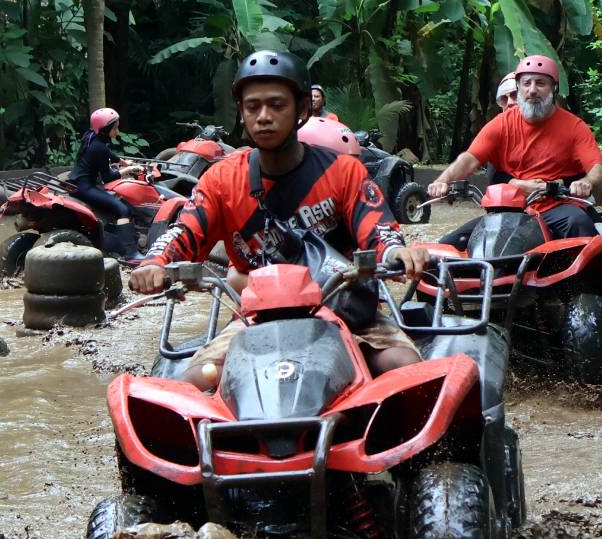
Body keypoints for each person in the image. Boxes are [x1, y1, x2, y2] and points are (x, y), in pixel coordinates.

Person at [131, 50, 429, 387]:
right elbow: (184, 232)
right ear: (241, 113)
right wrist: (154, 263)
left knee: (403, 368)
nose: (263, 116)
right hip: (257, 317)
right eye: (252, 106)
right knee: (193, 385)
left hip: (345, 311)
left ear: (301, 110)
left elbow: (378, 231)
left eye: (277, 105)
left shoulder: (344, 171)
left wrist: (396, 253)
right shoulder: (220, 180)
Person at [426, 55, 602, 240]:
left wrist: (586, 182)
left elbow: (599, 172)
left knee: (579, 224)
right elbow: (469, 159)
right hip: (512, 209)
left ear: (554, 88)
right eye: (526, 83)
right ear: (518, 88)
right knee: (450, 244)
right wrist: (443, 181)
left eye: (540, 83)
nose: (532, 90)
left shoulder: (574, 127)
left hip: (557, 207)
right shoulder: (501, 124)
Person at [71, 107, 139, 259]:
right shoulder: (99, 147)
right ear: (105, 129)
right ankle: (131, 254)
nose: (118, 131)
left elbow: (107, 153)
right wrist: (130, 169)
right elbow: (108, 177)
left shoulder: (91, 137)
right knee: (123, 210)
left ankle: (117, 241)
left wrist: (123, 162)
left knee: (120, 202)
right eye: (115, 128)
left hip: (76, 182)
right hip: (85, 187)